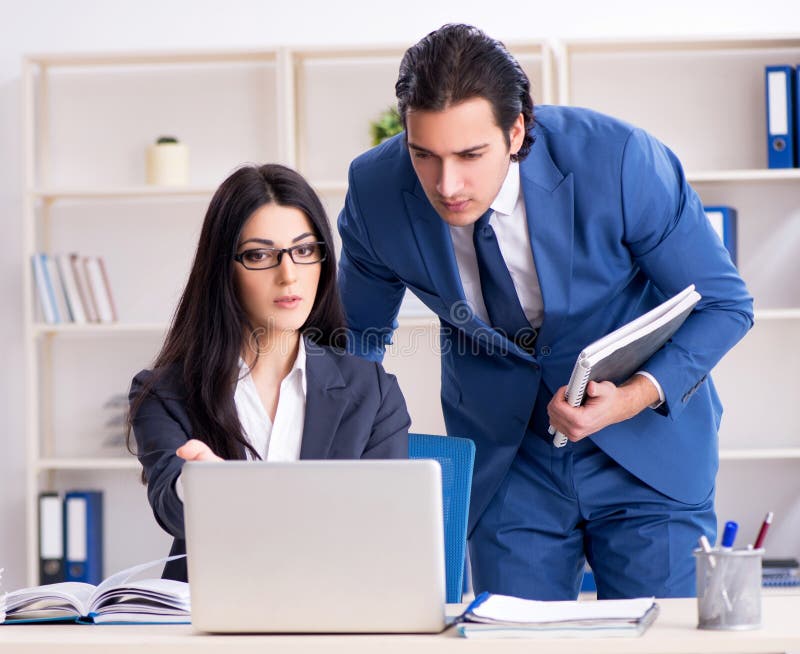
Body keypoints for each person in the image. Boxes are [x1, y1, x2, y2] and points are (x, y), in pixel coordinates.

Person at [337, 24, 754, 600]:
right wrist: (325, 462)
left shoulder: (620, 160)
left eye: (470, 155)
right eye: (423, 155)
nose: (447, 184)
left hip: (646, 454)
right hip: (508, 464)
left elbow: (726, 305)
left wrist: (632, 395)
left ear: (516, 130)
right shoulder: (376, 189)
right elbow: (354, 340)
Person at [128, 163, 410, 582]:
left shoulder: (372, 392)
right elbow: (171, 511)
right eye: (260, 255)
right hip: (210, 615)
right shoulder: (165, 392)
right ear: (224, 269)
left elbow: (383, 528)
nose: (289, 274)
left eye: (304, 250)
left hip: (336, 609)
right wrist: (204, 486)